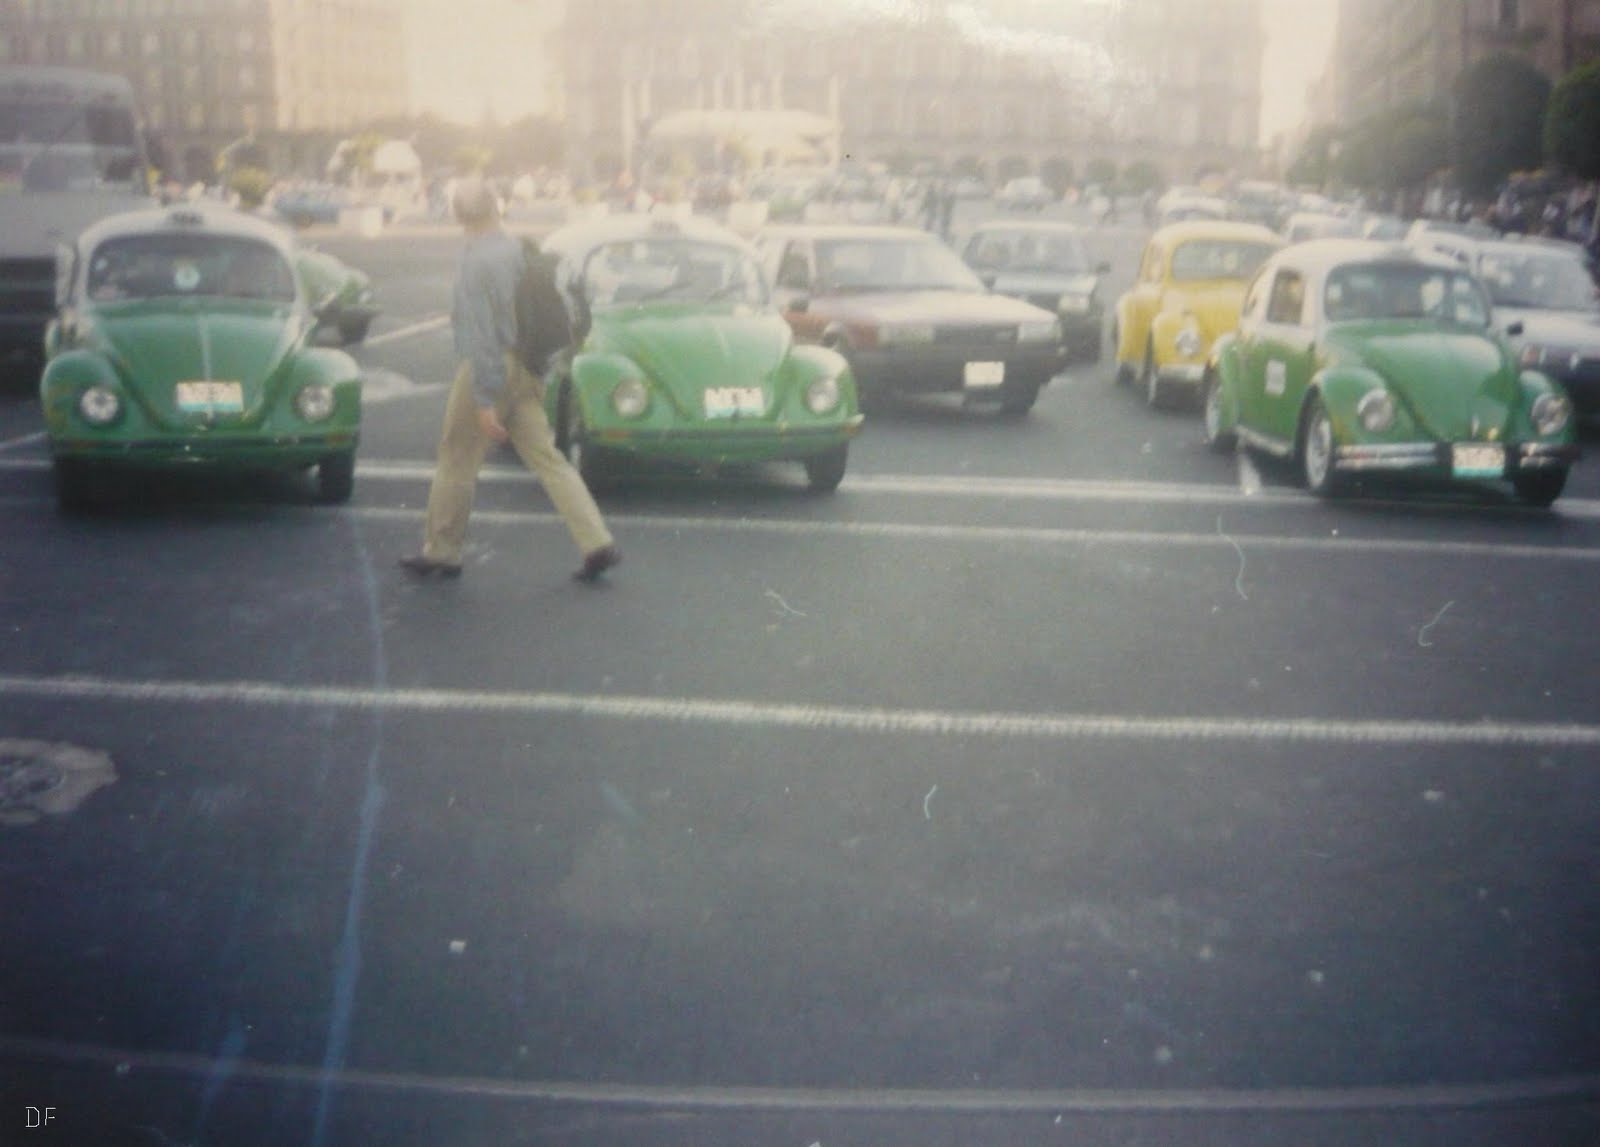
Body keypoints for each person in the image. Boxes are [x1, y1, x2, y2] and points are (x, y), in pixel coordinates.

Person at [400, 177, 621, 583]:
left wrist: (485, 400)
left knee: (457, 456)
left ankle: (442, 551)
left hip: (493, 366)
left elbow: (480, 333)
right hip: (529, 367)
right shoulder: (521, 250)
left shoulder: (476, 261)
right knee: (549, 459)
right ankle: (596, 540)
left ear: (458, 216)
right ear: (497, 208)